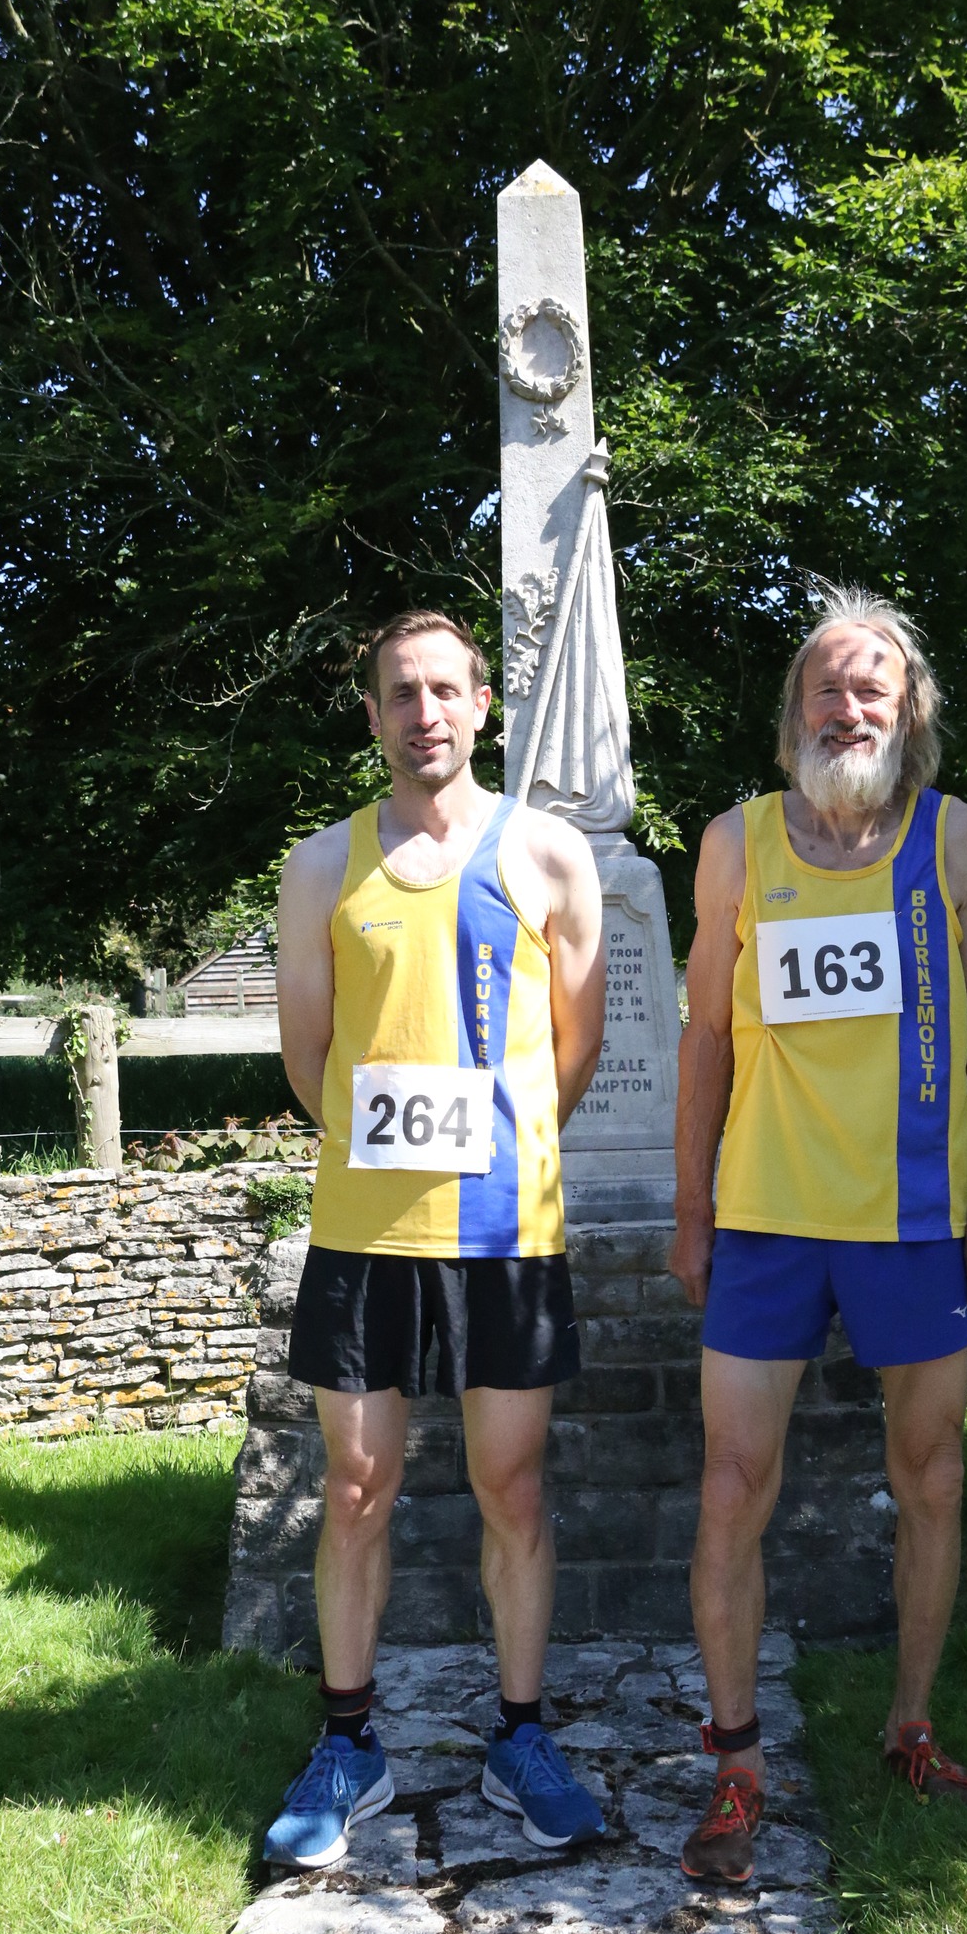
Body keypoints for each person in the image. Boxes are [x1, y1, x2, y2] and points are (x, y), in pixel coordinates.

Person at [669, 583, 967, 1885]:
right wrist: (693, 1205)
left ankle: (909, 1728)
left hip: (915, 1223)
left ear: (907, 711)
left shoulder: (954, 840)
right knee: (726, 1488)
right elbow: (705, 1036)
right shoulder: (732, 844)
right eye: (827, 684)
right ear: (792, 712)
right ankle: (739, 1766)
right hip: (763, 1221)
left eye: (872, 687)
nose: (848, 704)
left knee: (930, 1477)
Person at [264, 608, 607, 1868]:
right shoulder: (319, 868)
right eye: (401, 692)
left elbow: (573, 1053)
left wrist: (491, 1139)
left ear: (481, 704)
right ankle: (350, 1740)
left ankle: (519, 1732)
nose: (426, 711)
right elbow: (309, 1057)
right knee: (356, 1489)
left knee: (512, 1486)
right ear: (372, 714)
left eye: (446, 688)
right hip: (363, 1233)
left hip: (507, 1231)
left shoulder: (554, 855)